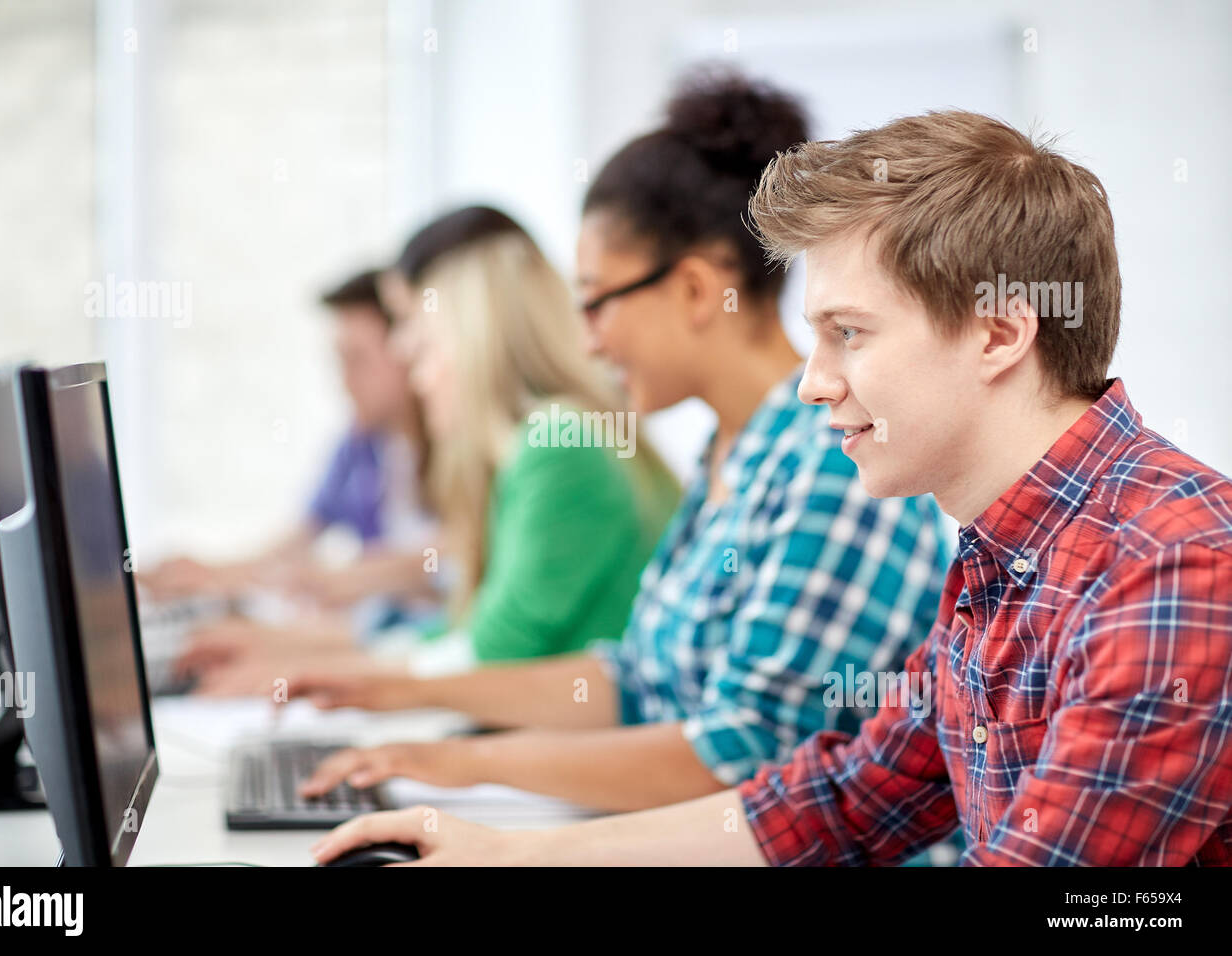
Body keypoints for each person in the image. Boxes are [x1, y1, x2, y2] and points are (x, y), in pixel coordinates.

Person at [308, 109, 1232, 867]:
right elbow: (832, 803)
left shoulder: (1170, 562)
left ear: (998, 334)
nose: (811, 381)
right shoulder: (1004, 559)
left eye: (850, 334)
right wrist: (499, 855)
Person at [290, 73, 954, 834]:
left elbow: (736, 759)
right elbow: (632, 681)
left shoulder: (830, 469)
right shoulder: (727, 456)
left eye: (599, 301)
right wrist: (405, 701)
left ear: (698, 291)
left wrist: (465, 762)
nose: (586, 338)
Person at [179, 205, 683, 689]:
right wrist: (293, 656)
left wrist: (306, 669)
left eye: (415, 329)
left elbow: (488, 655)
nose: (402, 350)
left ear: (468, 334)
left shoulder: (556, 444)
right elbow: (464, 634)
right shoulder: (551, 437)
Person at [139, 269, 434, 609]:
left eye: (358, 360)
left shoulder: (458, 446)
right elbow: (299, 538)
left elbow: (445, 558)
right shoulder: (359, 446)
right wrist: (215, 574)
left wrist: (340, 579)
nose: (345, 382)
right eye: (339, 361)